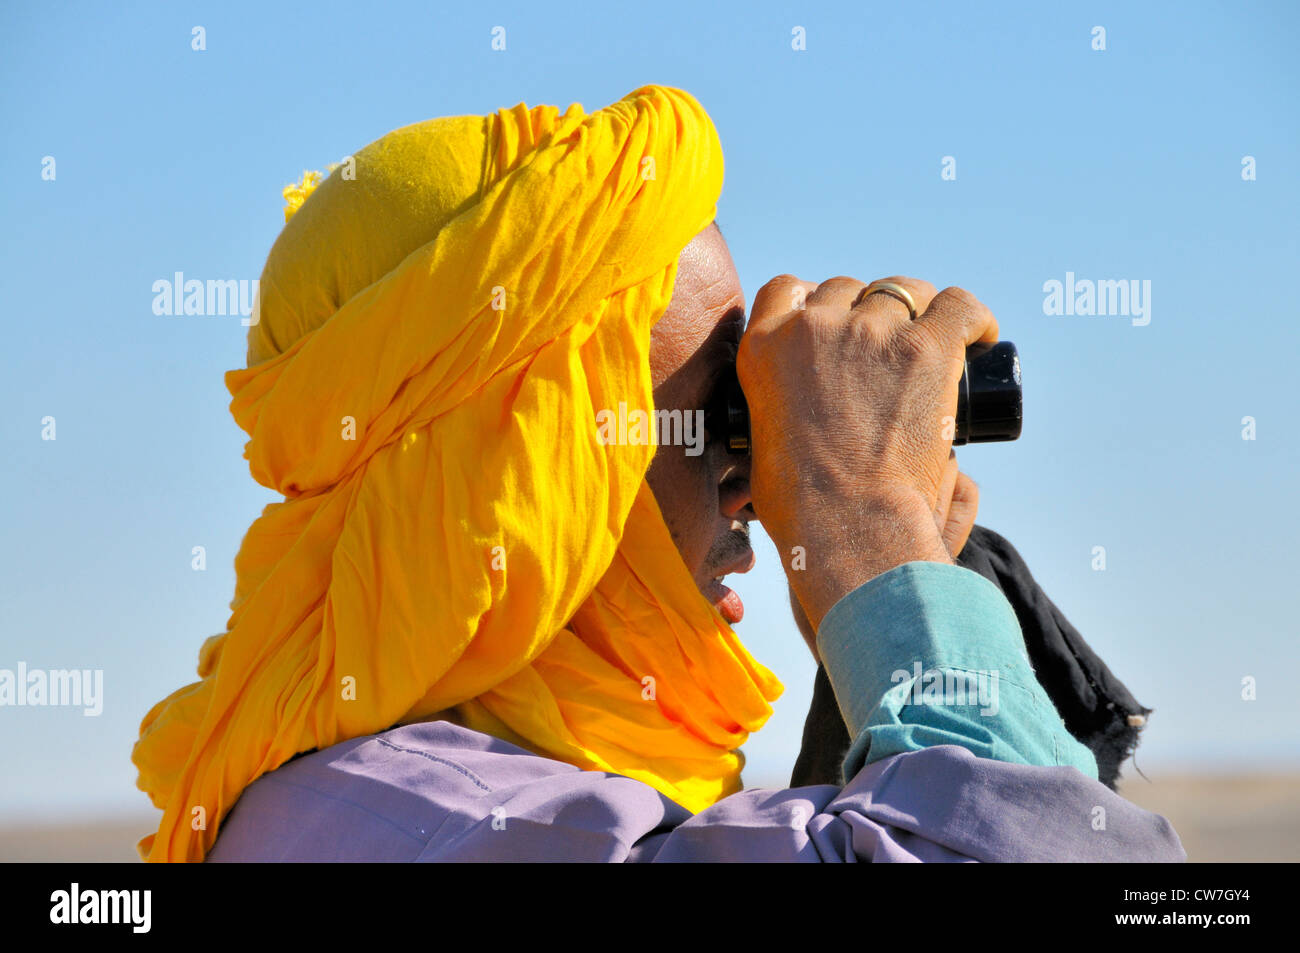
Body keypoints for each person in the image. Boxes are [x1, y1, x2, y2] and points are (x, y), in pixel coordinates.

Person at [132, 84, 1183, 862]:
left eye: (759, 420)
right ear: (515, 469)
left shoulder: (433, 797)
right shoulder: (416, 827)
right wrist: (871, 530)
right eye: (715, 417)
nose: (752, 483)